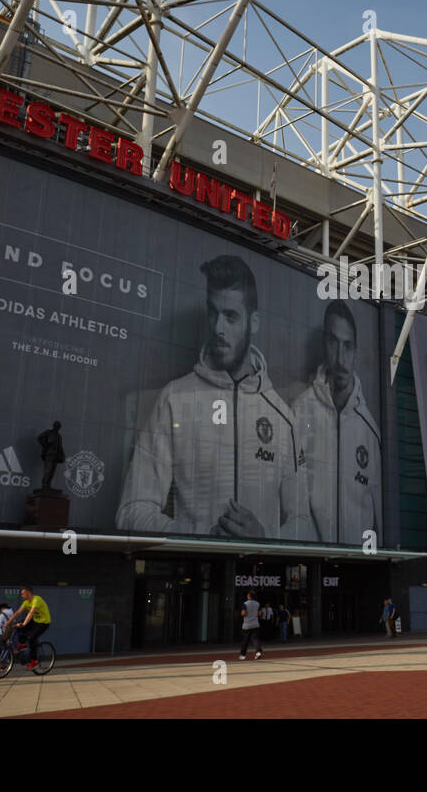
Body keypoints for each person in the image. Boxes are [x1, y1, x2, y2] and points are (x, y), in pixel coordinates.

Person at [116, 255, 310, 539]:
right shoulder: (176, 398)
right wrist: (202, 536)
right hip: (193, 577)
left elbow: (305, 523)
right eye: (213, 313)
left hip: (263, 577)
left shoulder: (283, 417)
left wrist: (264, 536)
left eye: (231, 316)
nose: (219, 328)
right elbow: (131, 511)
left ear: (253, 322)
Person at [293, 300, 383, 543]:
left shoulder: (370, 429)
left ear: (356, 352)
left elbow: (378, 511)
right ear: (324, 344)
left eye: (348, 346)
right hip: (308, 560)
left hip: (359, 565)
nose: (341, 358)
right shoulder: (299, 410)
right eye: (334, 342)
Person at [5, 585, 51, 670]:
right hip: (35, 621)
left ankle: (34, 662)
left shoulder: (36, 599)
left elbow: (31, 612)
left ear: (28, 593)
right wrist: (9, 622)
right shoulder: (26, 602)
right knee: (19, 625)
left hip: (44, 623)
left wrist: (24, 624)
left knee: (31, 639)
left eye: (23, 594)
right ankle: (22, 644)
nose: (22, 595)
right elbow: (18, 612)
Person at [37, 421, 66, 491]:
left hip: (56, 456)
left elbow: (60, 447)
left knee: (52, 472)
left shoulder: (59, 436)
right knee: (48, 471)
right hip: (49, 455)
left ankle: (48, 485)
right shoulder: (48, 432)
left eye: (59, 426)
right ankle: (44, 486)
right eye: (56, 425)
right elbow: (39, 437)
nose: (57, 427)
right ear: (54, 426)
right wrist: (45, 446)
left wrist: (62, 455)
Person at [239, 590, 262, 660]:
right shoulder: (257, 604)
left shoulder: (245, 604)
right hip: (255, 624)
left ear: (249, 596)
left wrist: (241, 614)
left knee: (245, 641)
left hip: (247, 625)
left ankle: (243, 655)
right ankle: (258, 651)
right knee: (255, 639)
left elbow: (243, 613)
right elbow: (260, 614)